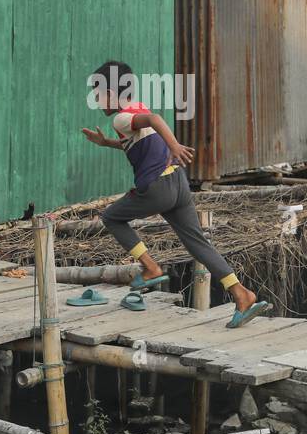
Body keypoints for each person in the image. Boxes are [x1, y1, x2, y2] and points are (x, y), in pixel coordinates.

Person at [82, 60, 269, 328]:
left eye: (98, 94)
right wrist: (106, 143)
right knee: (197, 243)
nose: (98, 100)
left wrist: (175, 145)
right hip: (178, 184)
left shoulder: (121, 117)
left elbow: (156, 121)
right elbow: (137, 142)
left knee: (111, 217)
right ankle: (242, 294)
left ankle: (151, 267)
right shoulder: (136, 109)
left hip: (156, 188)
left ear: (112, 93)